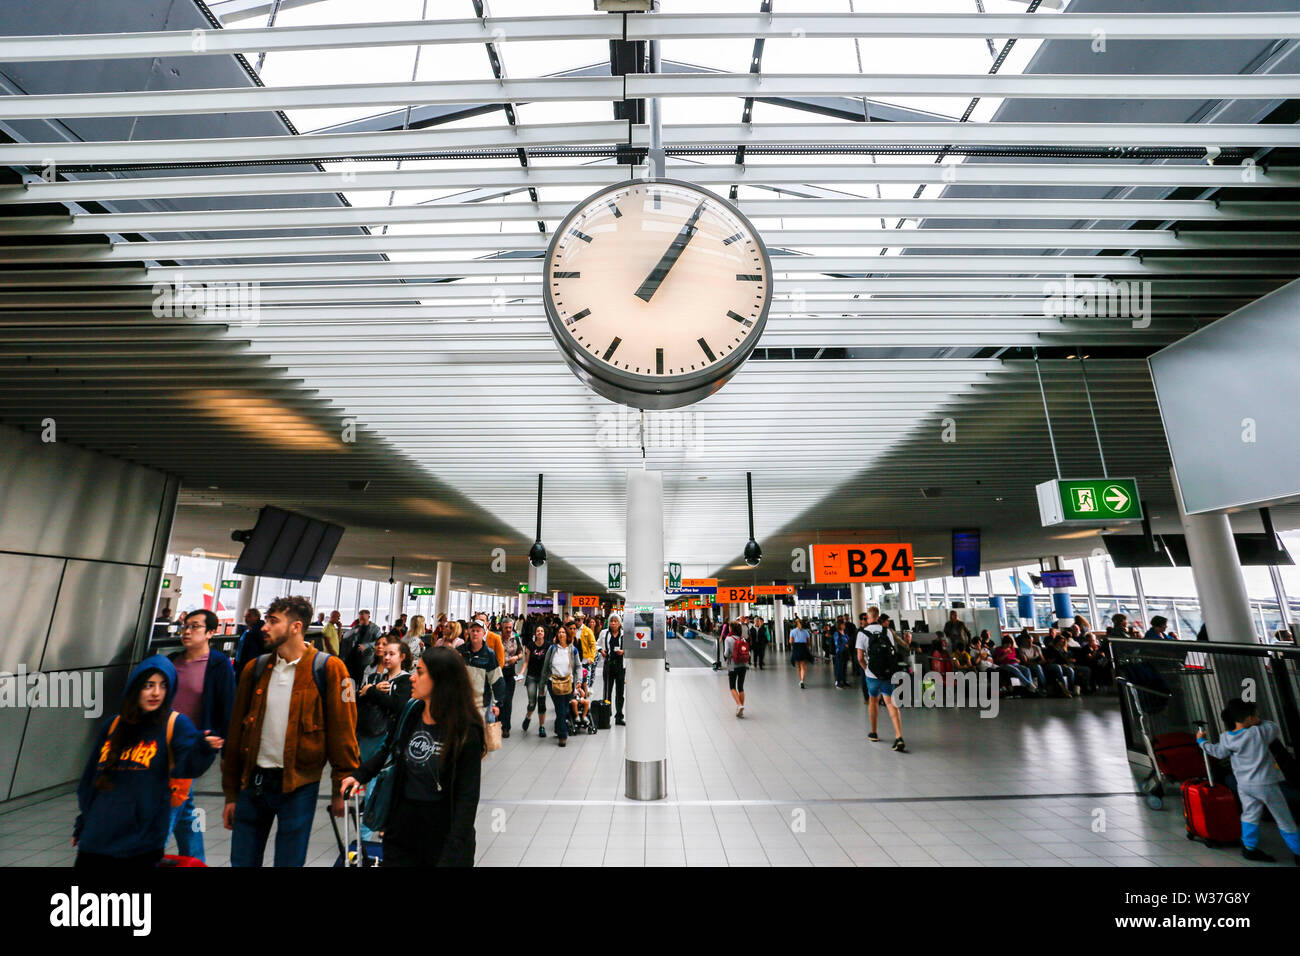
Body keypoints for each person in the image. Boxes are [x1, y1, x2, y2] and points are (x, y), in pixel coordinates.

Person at [222, 595, 360, 867]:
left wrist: (340, 790)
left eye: (273, 621)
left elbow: (343, 732)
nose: (264, 627)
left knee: (289, 861)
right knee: (242, 861)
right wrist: (230, 794)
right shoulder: (255, 669)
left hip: (299, 785)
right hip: (253, 784)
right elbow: (237, 732)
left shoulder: (329, 669)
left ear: (296, 627)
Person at [73, 655, 223, 868]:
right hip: (96, 840)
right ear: (135, 688)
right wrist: (82, 825)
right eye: (149, 685)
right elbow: (90, 782)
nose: (156, 693)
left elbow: (188, 767)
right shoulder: (113, 725)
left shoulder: (176, 724)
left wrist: (203, 748)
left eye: (163, 686)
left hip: (140, 844)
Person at [340, 647, 485, 867]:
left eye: (420, 672)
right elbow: (389, 749)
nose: (413, 678)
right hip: (403, 829)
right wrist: (359, 775)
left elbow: (467, 796)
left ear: (440, 679)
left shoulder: (465, 728)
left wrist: (454, 848)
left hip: (441, 834)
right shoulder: (412, 711)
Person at [165, 608, 235, 862]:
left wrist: (226, 753)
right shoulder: (171, 661)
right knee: (185, 811)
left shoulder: (218, 665)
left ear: (210, 633)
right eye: (185, 626)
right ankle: (196, 859)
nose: (187, 631)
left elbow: (227, 709)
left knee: (167, 811)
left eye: (195, 626)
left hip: (192, 749)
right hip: (162, 744)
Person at [1198, 698, 1300, 864]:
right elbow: (1274, 727)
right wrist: (1260, 722)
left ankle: (1249, 849)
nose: (1259, 718)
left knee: (1250, 815)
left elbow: (1217, 752)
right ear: (1248, 719)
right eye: (1256, 715)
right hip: (1266, 784)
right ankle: (1298, 851)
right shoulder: (1258, 732)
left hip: (1244, 785)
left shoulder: (1227, 738)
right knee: (1284, 818)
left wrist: (1202, 741)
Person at [855, 607, 905, 752]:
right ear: (877, 617)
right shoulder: (887, 631)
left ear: (869, 617)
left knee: (873, 701)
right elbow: (892, 651)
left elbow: (859, 658)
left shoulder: (862, 633)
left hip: (872, 674)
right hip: (887, 672)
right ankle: (899, 736)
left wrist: (866, 670)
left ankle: (874, 732)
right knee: (891, 703)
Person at [358, 640, 413, 761]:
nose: (387, 657)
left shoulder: (406, 681)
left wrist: (371, 691)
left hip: (388, 736)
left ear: (402, 657)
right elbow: (359, 700)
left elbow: (396, 705)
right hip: (367, 732)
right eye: (385, 654)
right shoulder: (373, 678)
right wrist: (370, 691)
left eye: (392, 654)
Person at [540, 625, 582, 747]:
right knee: (560, 708)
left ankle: (558, 728)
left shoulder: (572, 650)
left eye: (563, 632)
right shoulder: (552, 649)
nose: (561, 634)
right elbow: (545, 666)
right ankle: (563, 736)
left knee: (565, 709)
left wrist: (579, 680)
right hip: (553, 683)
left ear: (567, 635)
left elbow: (578, 666)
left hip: (568, 683)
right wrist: (542, 685)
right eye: (559, 632)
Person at [460, 620, 506, 727]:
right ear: (468, 632)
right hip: (462, 704)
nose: (475, 633)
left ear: (484, 633)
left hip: (481, 705)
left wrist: (496, 704)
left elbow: (497, 679)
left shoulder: (489, 654)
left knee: (479, 736)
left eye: (478, 631)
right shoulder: (460, 652)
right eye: (473, 630)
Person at [521, 625, 550, 738]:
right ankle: (528, 717)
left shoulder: (548, 646)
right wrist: (521, 673)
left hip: (543, 678)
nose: (539, 632)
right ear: (535, 633)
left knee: (542, 703)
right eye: (538, 630)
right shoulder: (530, 645)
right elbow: (526, 662)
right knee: (532, 703)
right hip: (531, 677)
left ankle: (541, 726)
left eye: (541, 631)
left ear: (544, 633)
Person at [599, 613, 627, 726]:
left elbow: (630, 647)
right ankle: (606, 716)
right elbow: (597, 644)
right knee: (607, 692)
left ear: (620, 623)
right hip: (608, 665)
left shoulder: (625, 634)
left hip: (620, 666)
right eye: (611, 621)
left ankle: (619, 716)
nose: (613, 623)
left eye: (616, 621)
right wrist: (601, 651)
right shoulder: (604, 633)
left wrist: (624, 651)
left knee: (620, 693)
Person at [498, 616, 524, 738]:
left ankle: (506, 727)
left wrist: (516, 658)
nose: (508, 630)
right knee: (499, 700)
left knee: (508, 700)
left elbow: (521, 653)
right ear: (501, 628)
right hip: (498, 673)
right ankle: (497, 724)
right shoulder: (497, 638)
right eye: (506, 628)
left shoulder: (516, 638)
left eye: (510, 627)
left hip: (510, 672)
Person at [724, 621, 750, 717]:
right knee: (741, 687)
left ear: (732, 629)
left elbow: (726, 653)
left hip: (732, 665)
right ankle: (741, 708)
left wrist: (726, 655)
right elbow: (748, 652)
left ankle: (739, 705)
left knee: (732, 687)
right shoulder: (743, 639)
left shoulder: (728, 639)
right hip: (743, 664)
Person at [233, 608, 266, 675]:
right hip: (241, 663)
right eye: (246, 616)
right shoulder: (247, 630)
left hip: (250, 665)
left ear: (257, 617)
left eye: (249, 616)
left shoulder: (260, 631)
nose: (246, 618)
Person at [790, 617, 812, 689]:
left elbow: (791, 641)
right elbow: (809, 642)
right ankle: (802, 680)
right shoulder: (806, 632)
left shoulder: (792, 631)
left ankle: (800, 680)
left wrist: (794, 643)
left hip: (796, 647)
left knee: (798, 666)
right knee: (803, 666)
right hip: (803, 647)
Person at [832, 619, 853, 688]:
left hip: (845, 652)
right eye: (843, 624)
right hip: (840, 653)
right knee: (839, 667)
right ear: (840, 625)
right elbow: (837, 643)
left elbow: (848, 640)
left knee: (844, 667)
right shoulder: (837, 633)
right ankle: (838, 681)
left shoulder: (845, 632)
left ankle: (844, 680)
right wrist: (845, 645)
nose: (844, 625)